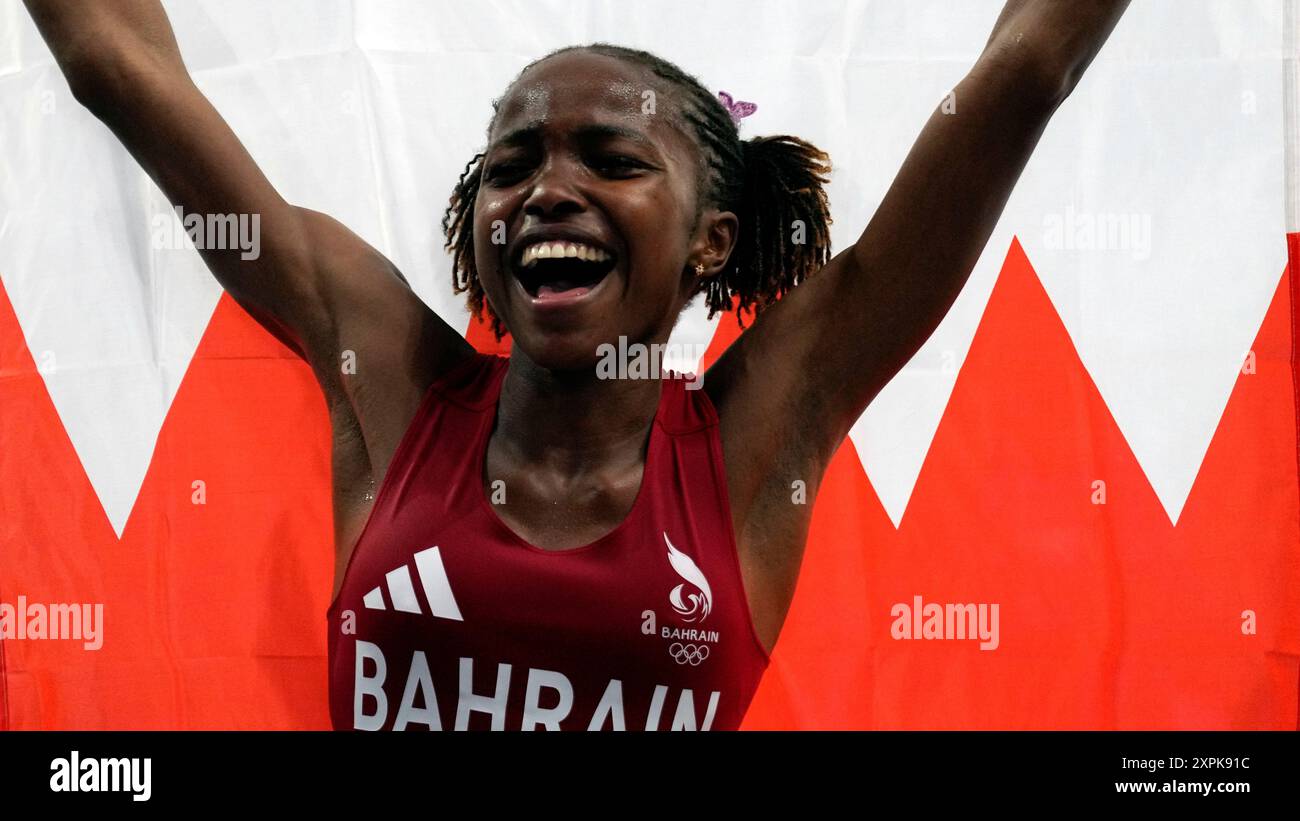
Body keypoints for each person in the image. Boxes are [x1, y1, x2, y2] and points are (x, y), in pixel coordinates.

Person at [23, 0, 1131, 730]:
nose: (546, 188)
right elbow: (113, 67)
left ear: (710, 239)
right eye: (512, 164)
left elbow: (1025, 69)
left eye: (611, 158)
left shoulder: (756, 441)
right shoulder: (394, 383)